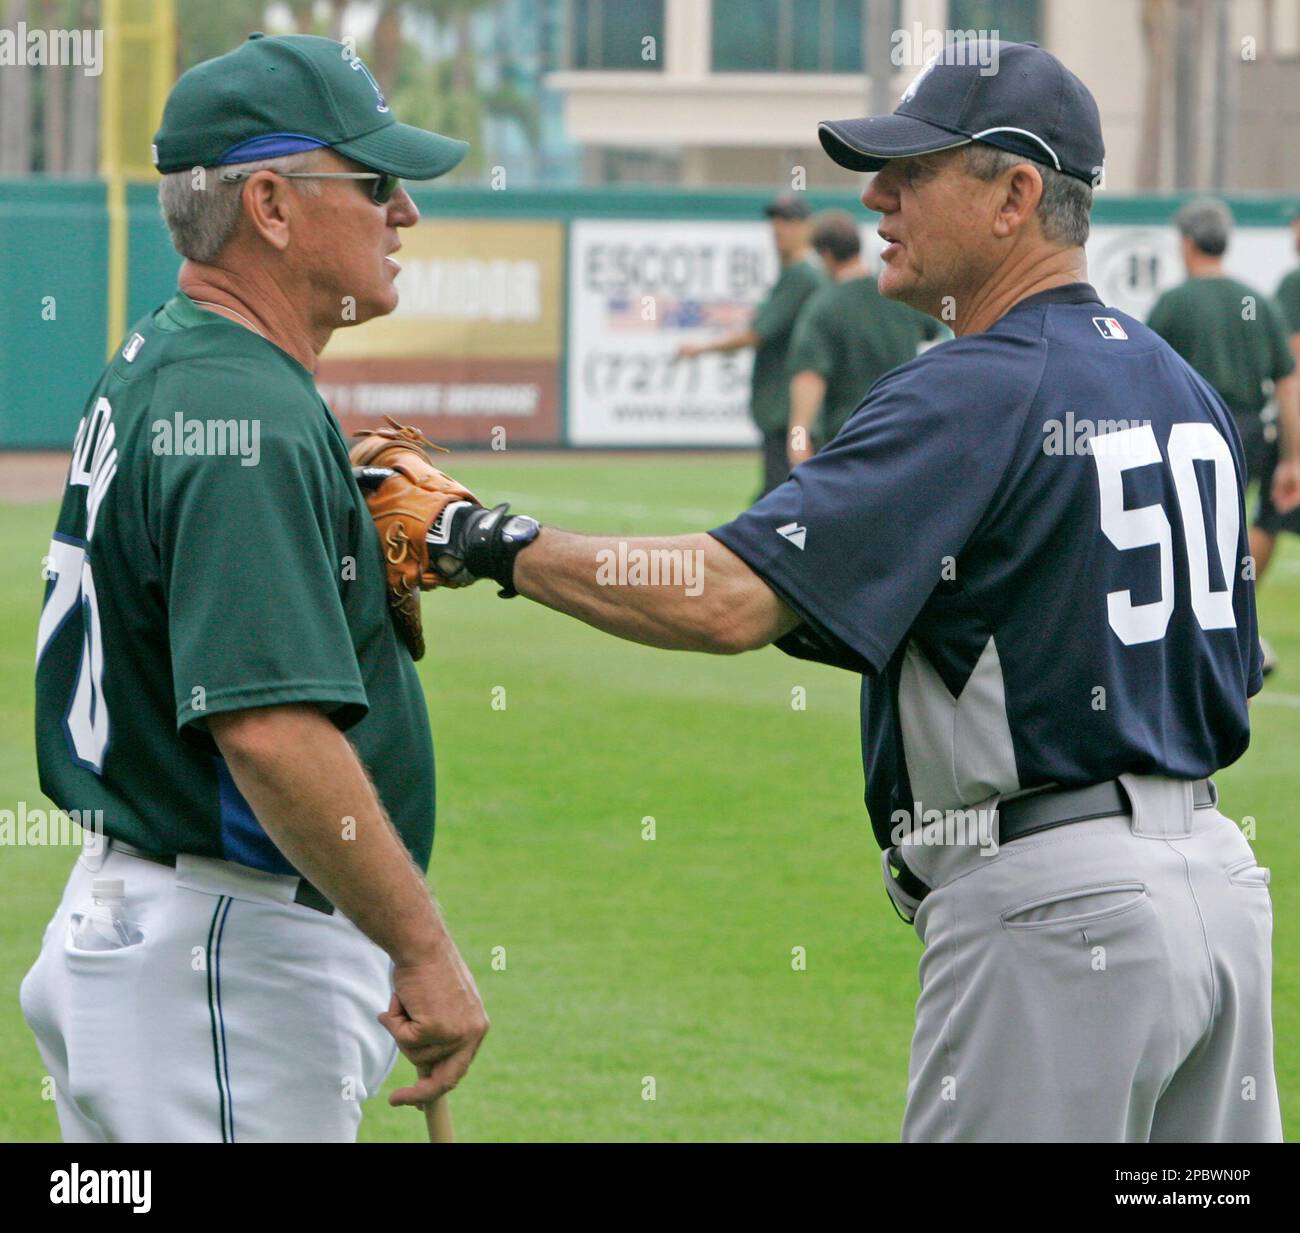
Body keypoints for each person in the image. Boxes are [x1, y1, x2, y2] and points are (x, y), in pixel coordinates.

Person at [428, 41, 1280, 1142]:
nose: (875, 196)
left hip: (1058, 909)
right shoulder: (1179, 386)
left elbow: (724, 599)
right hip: (1219, 893)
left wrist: (484, 538)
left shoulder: (974, 384)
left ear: (1016, 194)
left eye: (915, 171)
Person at [22, 33, 487, 1143]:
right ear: (271, 205)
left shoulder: (171, 358)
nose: (403, 212)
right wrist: (422, 949)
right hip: (221, 959)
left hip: (155, 929)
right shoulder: (248, 415)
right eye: (373, 181)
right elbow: (270, 732)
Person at [1147, 198, 1300, 671]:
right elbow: (1288, 381)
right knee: (1235, 535)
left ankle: (1219, 636)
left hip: (1190, 433)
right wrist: (1293, 457)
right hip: (1253, 432)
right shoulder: (1258, 302)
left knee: (1194, 540)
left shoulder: (1174, 304)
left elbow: (1147, 379)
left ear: (1187, 243)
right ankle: (1241, 632)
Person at [676, 195, 824, 497]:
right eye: (775, 220)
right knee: (784, 495)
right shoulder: (795, 274)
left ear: (806, 227)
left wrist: (701, 349)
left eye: (789, 221)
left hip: (789, 405)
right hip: (786, 404)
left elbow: (756, 334)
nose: (778, 228)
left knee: (781, 497)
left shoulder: (802, 275)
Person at [786, 210, 945, 467]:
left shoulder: (822, 307)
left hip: (849, 440)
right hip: (905, 433)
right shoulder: (899, 295)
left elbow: (809, 377)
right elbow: (940, 333)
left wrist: (798, 442)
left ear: (825, 255)